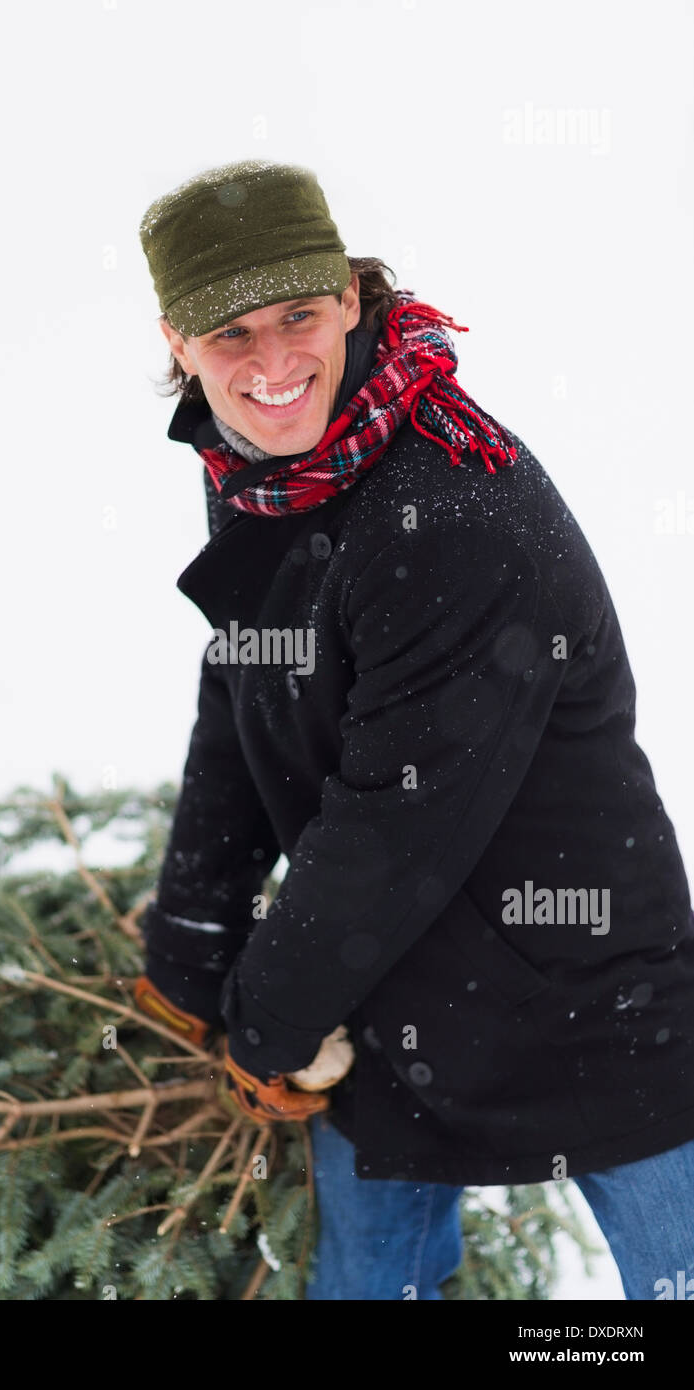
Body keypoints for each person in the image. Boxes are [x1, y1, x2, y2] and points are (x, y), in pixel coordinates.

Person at [132, 159, 694, 1300]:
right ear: (177, 342)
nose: (274, 363)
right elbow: (245, 683)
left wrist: (268, 1019)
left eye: (300, 314)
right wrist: (192, 942)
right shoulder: (258, 462)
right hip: (384, 991)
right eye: (231, 334)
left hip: (578, 982)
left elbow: (395, 823)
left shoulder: (450, 510)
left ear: (348, 295)